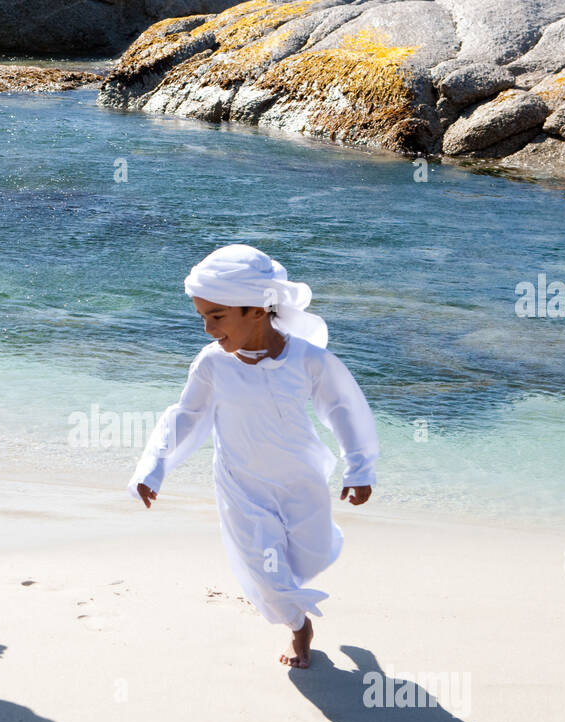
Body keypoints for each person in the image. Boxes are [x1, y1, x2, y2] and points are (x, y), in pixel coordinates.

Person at [129, 244, 378, 668]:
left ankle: (296, 604)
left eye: (217, 316)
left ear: (258, 311)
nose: (208, 329)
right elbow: (185, 416)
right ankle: (299, 628)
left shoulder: (309, 360)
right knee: (266, 567)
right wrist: (153, 467)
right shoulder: (212, 365)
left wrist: (359, 467)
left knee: (310, 555)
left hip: (301, 479)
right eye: (203, 317)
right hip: (241, 484)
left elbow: (344, 409)